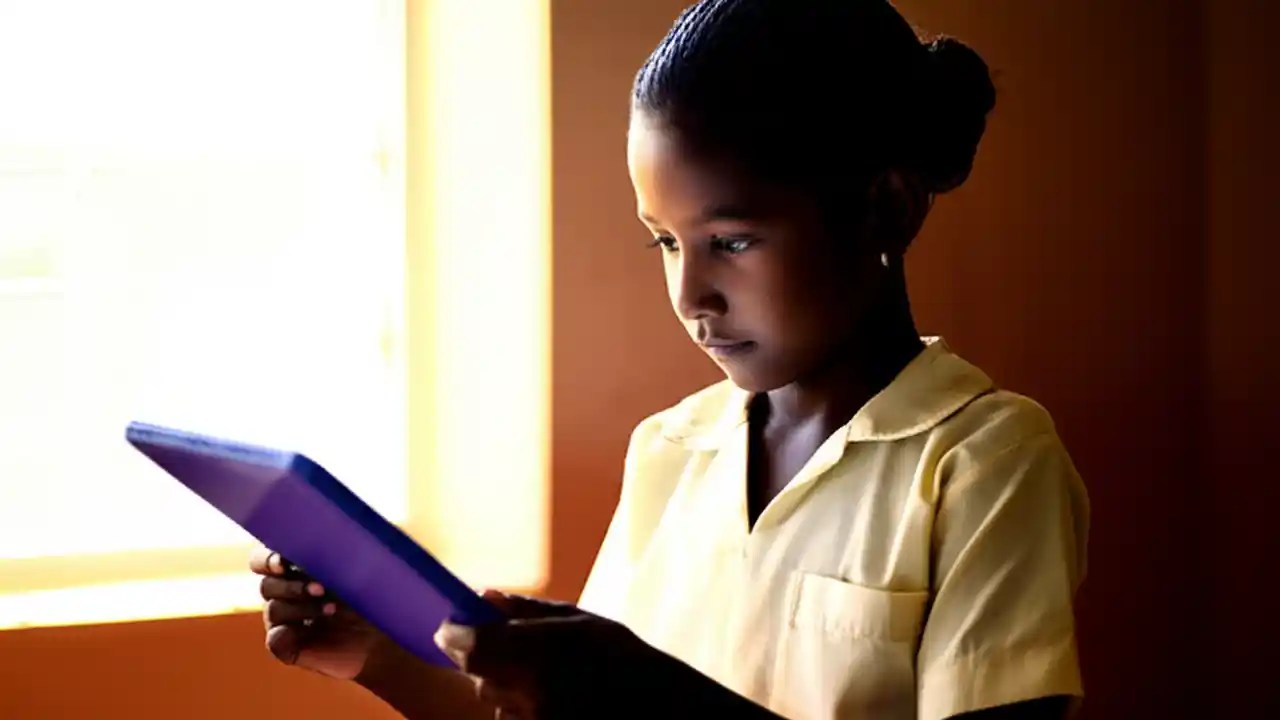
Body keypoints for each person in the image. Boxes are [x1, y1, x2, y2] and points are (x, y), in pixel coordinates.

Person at [252, 1, 1089, 717]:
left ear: (885, 208)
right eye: (665, 240)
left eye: (731, 240)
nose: (692, 294)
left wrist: (645, 696)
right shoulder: (672, 450)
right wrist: (380, 653)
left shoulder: (984, 463)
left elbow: (632, 701)